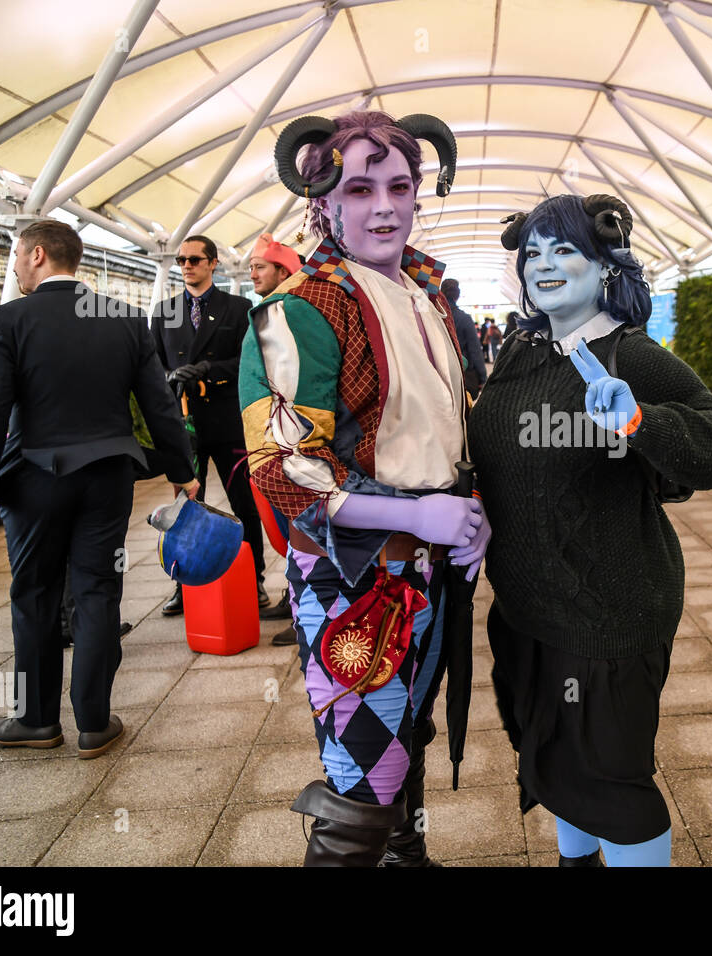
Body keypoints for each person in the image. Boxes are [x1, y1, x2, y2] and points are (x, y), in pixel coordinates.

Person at [240, 109, 489, 866]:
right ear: (324, 202)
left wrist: (470, 517)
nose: (383, 205)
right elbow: (283, 467)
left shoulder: (430, 297)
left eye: (400, 185)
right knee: (363, 774)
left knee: (410, 732)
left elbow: (452, 425)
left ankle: (405, 859)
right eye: (359, 188)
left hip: (432, 566)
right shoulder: (299, 311)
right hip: (356, 575)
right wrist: (424, 514)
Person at [469, 194, 712, 866]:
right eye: (533, 251)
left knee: (614, 782)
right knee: (557, 763)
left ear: (605, 268)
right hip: (529, 609)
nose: (544, 263)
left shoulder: (630, 356)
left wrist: (638, 420)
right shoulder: (519, 350)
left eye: (563, 249)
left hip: (610, 613)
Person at [0, 219, 198, 758]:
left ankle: (37, 721)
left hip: (32, 481)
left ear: (38, 254)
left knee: (35, 596)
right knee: (97, 592)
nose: (16, 266)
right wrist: (182, 472)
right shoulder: (125, 320)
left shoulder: (5, 321)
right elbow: (159, 404)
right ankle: (94, 722)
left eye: (18, 255)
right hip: (108, 479)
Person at [150, 234, 269, 616]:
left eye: (195, 260)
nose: (187, 265)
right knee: (185, 506)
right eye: (182, 260)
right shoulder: (164, 311)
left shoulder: (238, 308)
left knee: (244, 504)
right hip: (186, 426)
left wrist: (208, 370)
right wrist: (170, 376)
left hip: (228, 423)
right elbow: (151, 367)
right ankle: (184, 584)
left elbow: (251, 364)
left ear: (213, 263)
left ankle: (255, 580)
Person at [246, 232, 305, 635]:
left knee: (299, 529)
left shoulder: (291, 311)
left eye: (259, 266)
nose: (251, 274)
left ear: (283, 270)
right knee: (283, 528)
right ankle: (295, 596)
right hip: (271, 442)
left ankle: (305, 610)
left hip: (292, 443)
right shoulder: (271, 308)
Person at [441, 277, 487, 399]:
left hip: (439, 375)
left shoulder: (433, 315)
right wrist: (482, 377)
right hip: (463, 375)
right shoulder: (464, 318)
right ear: (457, 295)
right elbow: (475, 350)